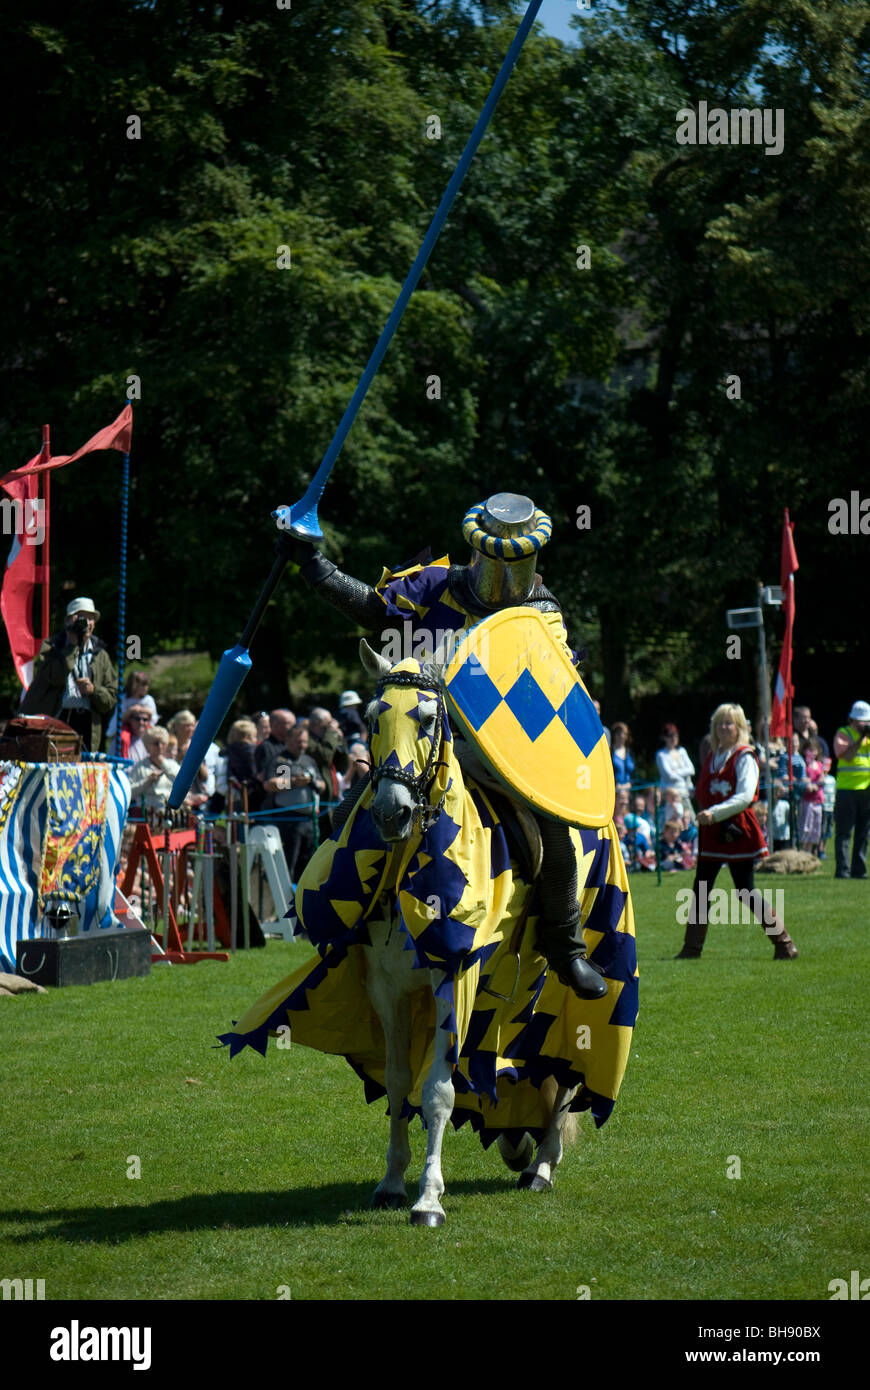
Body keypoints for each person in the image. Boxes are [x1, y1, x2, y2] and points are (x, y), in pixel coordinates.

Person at [282, 491, 609, 1000]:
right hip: (424, 742)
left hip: (500, 756)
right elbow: (374, 610)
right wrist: (311, 562)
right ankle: (339, 924)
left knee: (557, 837)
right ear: (477, 553)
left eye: (515, 564)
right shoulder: (437, 586)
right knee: (347, 816)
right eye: (494, 562)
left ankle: (565, 948)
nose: (503, 577)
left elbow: (554, 687)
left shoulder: (539, 614)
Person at [676, 702, 797, 961]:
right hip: (711, 830)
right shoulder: (713, 754)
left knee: (745, 891)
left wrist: (715, 813)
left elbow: (744, 796)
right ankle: (691, 949)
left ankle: (784, 944)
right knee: (701, 890)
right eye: (720, 722)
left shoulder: (745, 756)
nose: (723, 727)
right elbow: (703, 790)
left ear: (739, 727)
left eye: (729, 723)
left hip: (737, 829)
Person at [21, 596, 117, 752]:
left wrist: (94, 691)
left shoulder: (101, 655)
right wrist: (71, 647)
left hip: (87, 723)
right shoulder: (52, 647)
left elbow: (111, 699)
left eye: (90, 618)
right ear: (67, 621)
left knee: (83, 768)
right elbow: (55, 678)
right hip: (57, 718)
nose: (85, 623)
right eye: (80, 618)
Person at [260, 723, 326, 882]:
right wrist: (295, 782)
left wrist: (312, 782)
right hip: (289, 820)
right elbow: (271, 785)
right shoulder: (283, 760)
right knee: (290, 861)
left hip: (310, 820)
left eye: (304, 742)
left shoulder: (308, 760)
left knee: (308, 861)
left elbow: (322, 785)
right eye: (298, 742)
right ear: (288, 740)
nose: (302, 745)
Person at [831, 699, 870, 879]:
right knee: (844, 833)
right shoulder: (843, 733)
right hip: (847, 790)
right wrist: (861, 738)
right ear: (852, 721)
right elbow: (845, 755)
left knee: (863, 833)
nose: (864, 725)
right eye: (861, 722)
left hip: (866, 790)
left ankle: (859, 870)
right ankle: (843, 870)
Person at [128, 726, 180, 812]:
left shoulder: (172, 765)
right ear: (147, 746)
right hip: (144, 813)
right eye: (156, 743)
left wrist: (163, 764)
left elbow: (180, 783)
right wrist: (147, 781)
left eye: (162, 743)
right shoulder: (139, 767)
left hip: (168, 813)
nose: (159, 746)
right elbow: (130, 792)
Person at [798, 736, 825, 855]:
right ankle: (803, 850)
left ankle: (810, 851)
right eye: (809, 749)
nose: (812, 752)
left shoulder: (819, 764)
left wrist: (816, 785)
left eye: (814, 749)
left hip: (817, 800)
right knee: (806, 825)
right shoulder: (805, 765)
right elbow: (804, 778)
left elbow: (822, 778)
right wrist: (810, 784)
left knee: (816, 826)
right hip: (807, 800)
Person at [656, 723, 694, 801]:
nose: (674, 738)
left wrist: (676, 771)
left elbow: (692, 770)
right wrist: (684, 774)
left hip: (685, 792)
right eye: (670, 736)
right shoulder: (661, 755)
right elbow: (668, 775)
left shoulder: (682, 751)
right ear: (664, 738)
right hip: (670, 795)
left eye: (676, 735)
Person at [610, 722, 634, 791]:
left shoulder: (629, 752)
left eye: (624, 734)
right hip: (614, 790)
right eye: (619, 733)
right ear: (614, 735)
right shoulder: (610, 752)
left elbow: (633, 773)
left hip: (629, 790)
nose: (621, 736)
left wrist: (630, 784)